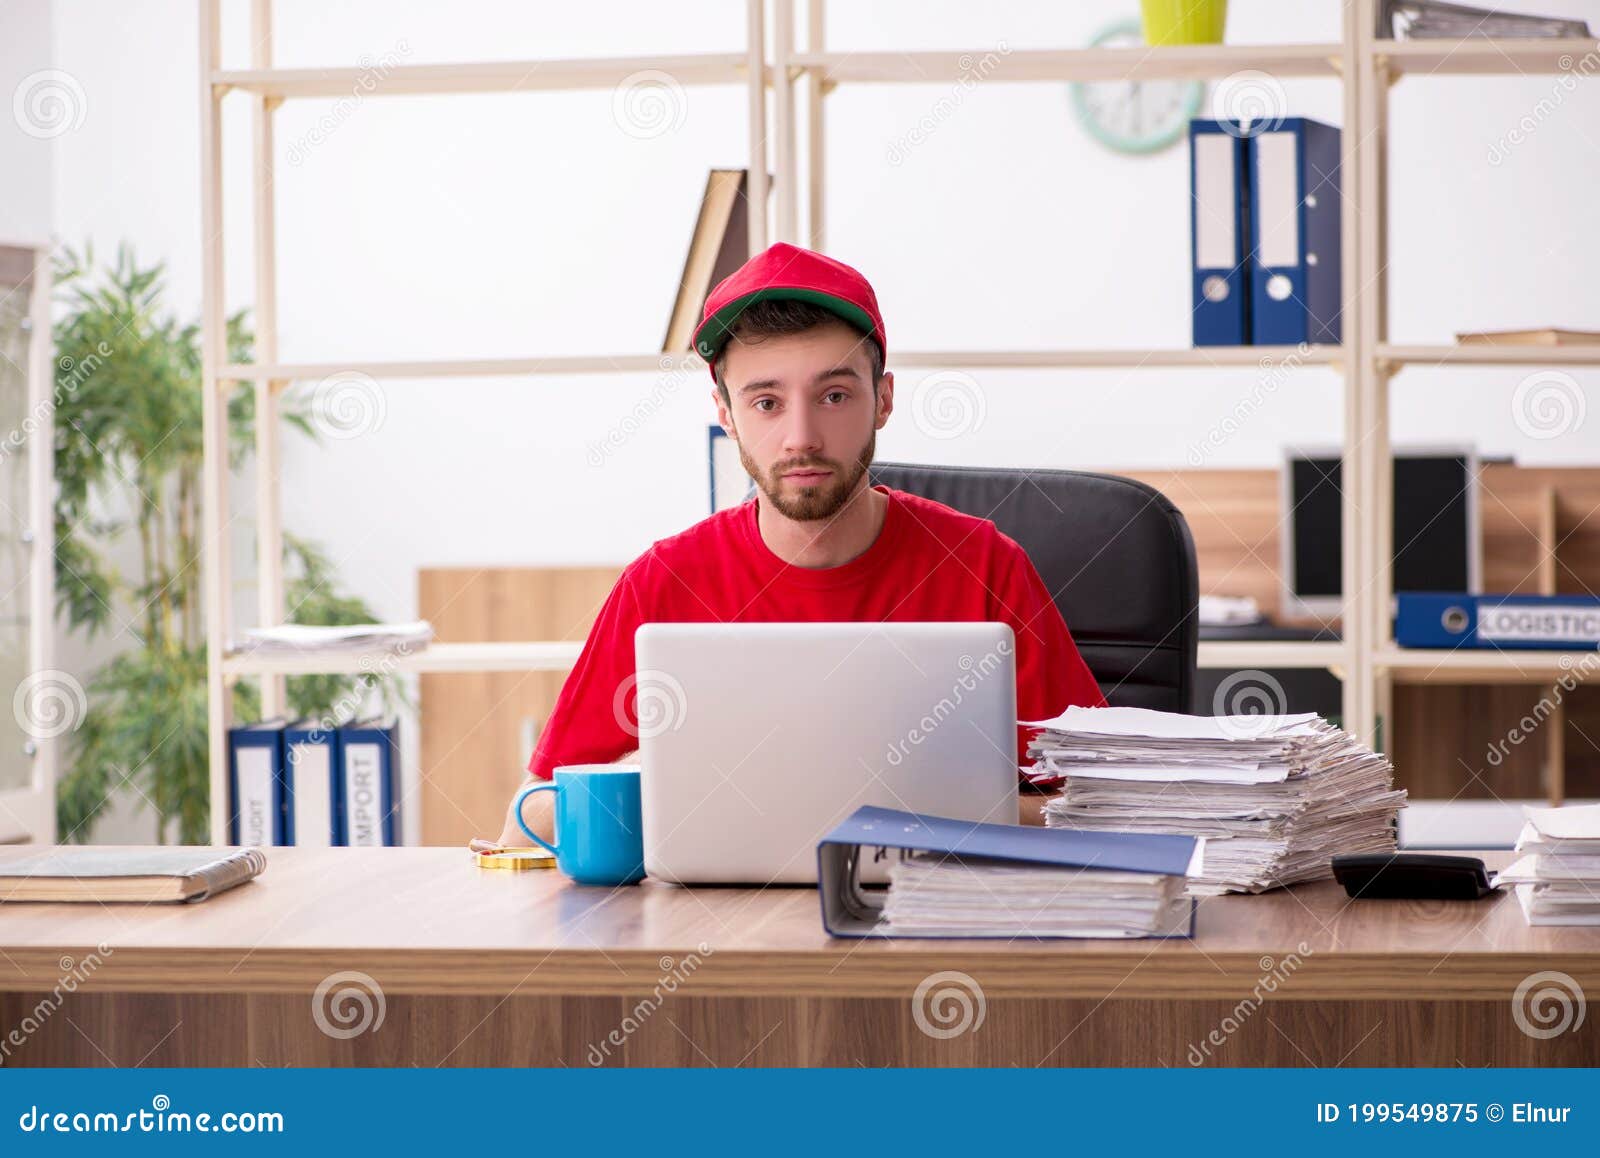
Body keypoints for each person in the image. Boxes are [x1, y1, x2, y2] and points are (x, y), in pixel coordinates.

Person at [482, 242, 1106, 850]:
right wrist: (663, 779)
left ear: (883, 400)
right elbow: (527, 819)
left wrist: (934, 815)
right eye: (767, 402)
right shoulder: (662, 582)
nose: (800, 437)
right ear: (726, 415)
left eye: (834, 396)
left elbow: (1106, 806)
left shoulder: (985, 566)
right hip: (717, 916)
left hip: (921, 909)